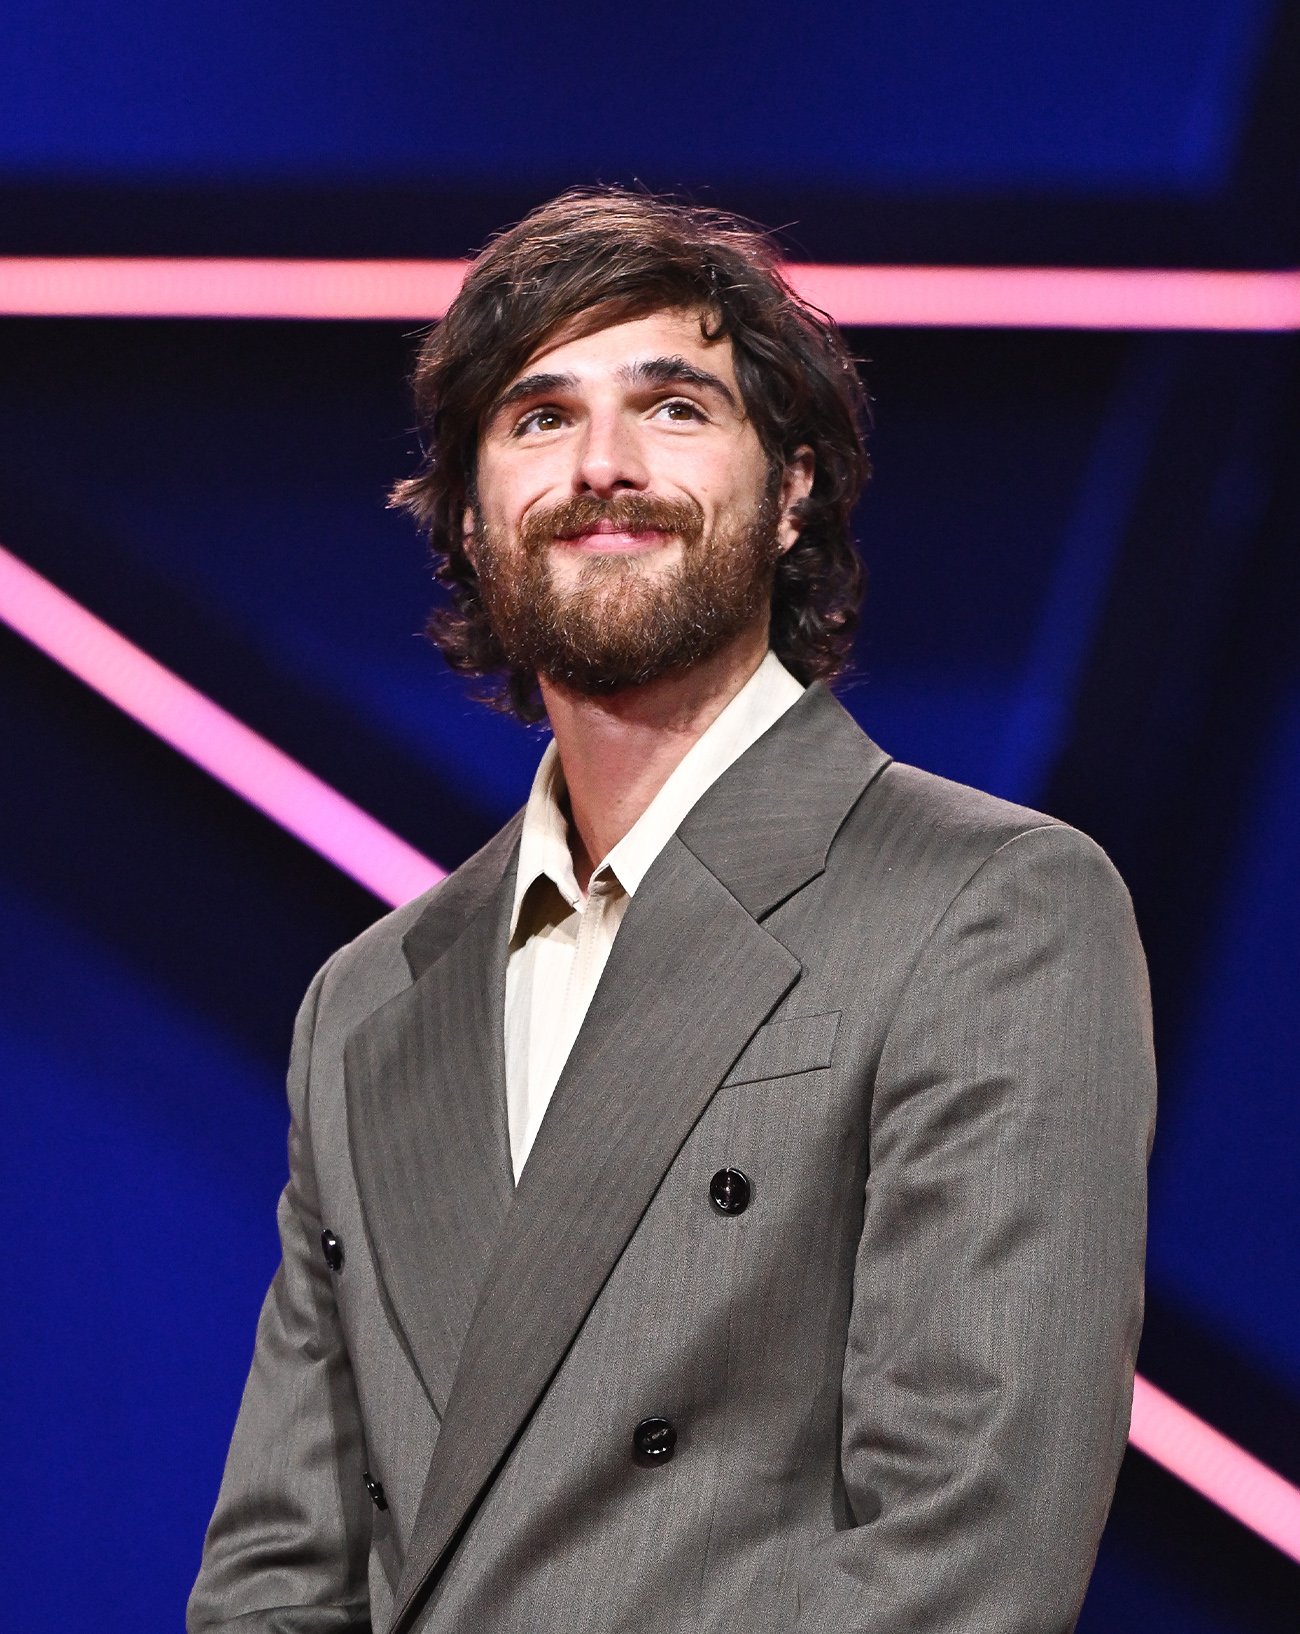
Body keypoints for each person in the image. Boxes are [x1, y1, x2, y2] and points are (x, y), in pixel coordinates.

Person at [188, 188, 1155, 1634]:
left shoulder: (991, 904)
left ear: (794, 491)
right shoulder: (369, 998)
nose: (605, 466)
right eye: (537, 418)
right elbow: (279, 1566)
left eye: (675, 406)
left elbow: (966, 1557)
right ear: (467, 512)